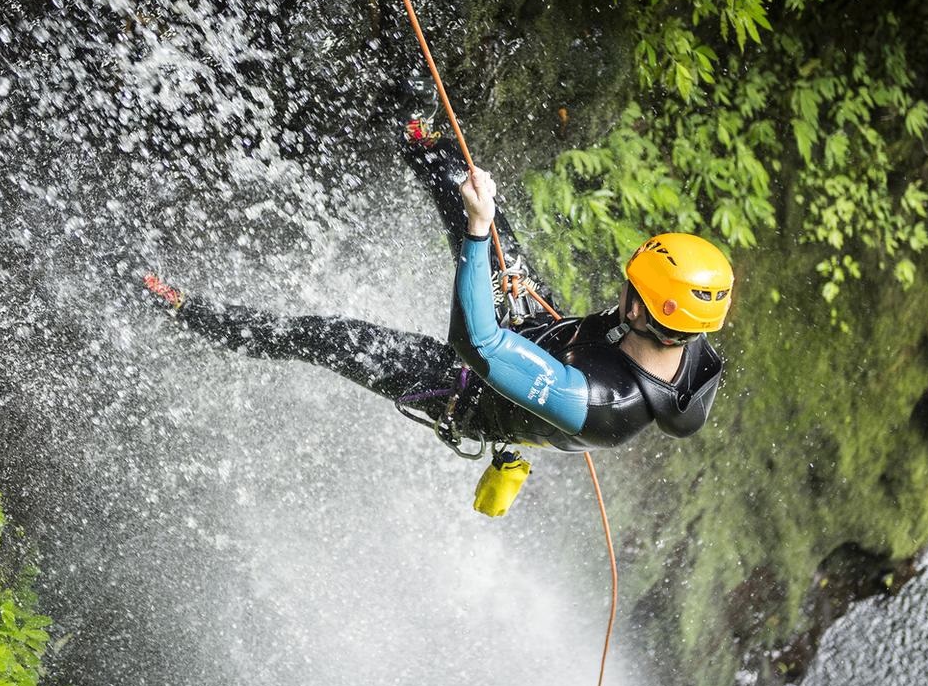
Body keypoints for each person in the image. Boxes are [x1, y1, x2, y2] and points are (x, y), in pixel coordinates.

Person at [142, 120, 732, 514]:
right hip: (540, 328)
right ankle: (410, 124)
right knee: (457, 177)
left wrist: (480, 232)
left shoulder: (599, 403)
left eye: (632, 289)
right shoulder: (677, 333)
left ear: (652, 312)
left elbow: (479, 342)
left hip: (468, 385)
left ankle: (186, 308)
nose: (622, 291)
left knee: (326, 338)